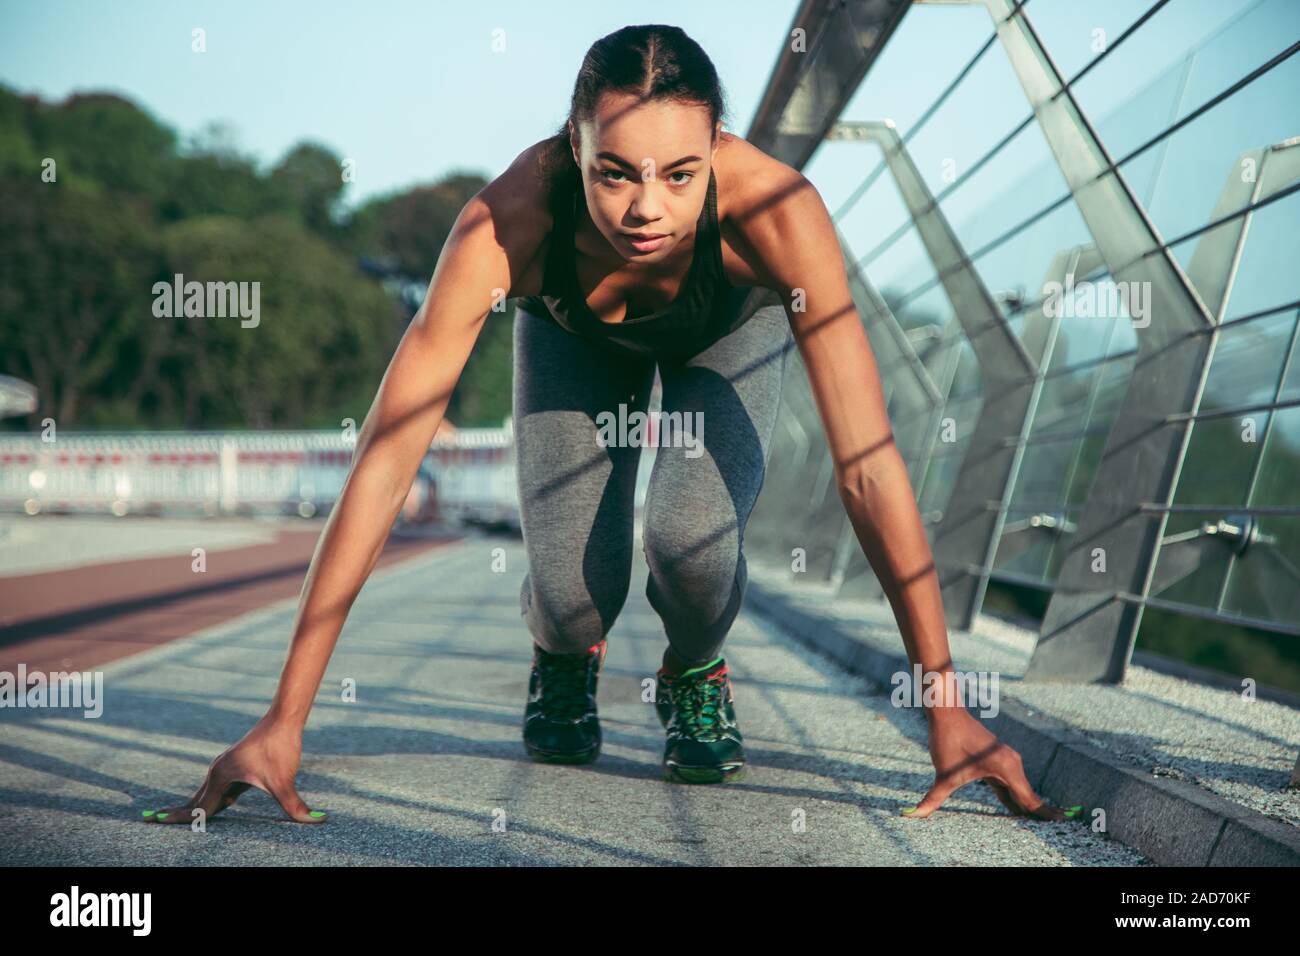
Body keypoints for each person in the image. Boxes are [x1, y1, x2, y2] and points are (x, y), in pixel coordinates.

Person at [144, 24, 1076, 824]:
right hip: (573, 339)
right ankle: (563, 657)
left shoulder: (778, 211)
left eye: (681, 174)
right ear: (575, 145)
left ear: (719, 146)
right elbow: (387, 463)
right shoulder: (506, 223)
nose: (646, 208)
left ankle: (695, 676)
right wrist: (284, 720)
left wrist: (944, 707)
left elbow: (867, 466)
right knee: (574, 595)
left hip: (728, 336)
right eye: (614, 172)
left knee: (691, 543)